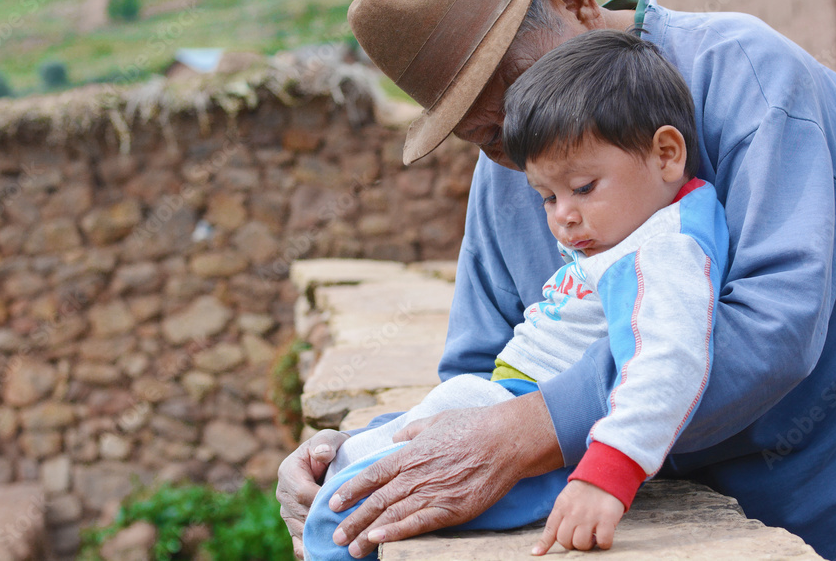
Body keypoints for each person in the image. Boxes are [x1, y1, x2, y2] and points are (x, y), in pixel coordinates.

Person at [277, 0, 836, 561]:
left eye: (518, 87)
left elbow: (775, 328)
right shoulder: (509, 174)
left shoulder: (749, 74)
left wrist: (531, 429)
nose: (522, 148)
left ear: (573, 3)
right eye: (488, 136)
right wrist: (365, 447)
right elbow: (484, 370)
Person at [301, 30, 729, 559]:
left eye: (583, 188)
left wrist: (608, 474)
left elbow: (669, 360)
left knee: (344, 516)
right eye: (547, 197)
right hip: (497, 401)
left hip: (537, 443)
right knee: (353, 464)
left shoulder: (662, 249)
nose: (563, 215)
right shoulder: (628, 233)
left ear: (666, 154)